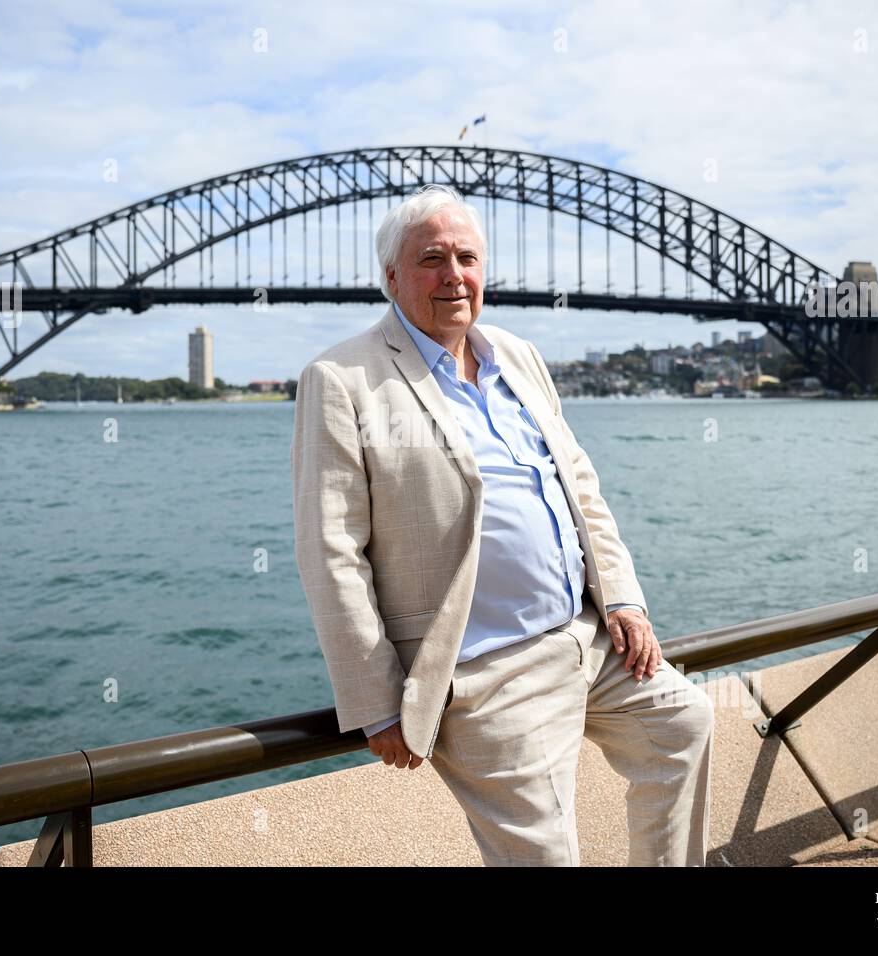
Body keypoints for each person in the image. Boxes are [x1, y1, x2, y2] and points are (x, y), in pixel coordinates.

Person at [291, 184, 713, 866]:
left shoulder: (516, 355)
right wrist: (375, 700)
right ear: (391, 277)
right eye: (432, 259)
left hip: (588, 638)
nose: (453, 275)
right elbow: (330, 549)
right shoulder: (342, 378)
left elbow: (581, 489)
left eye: (467, 257)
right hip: (488, 672)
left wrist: (625, 599)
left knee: (685, 724)